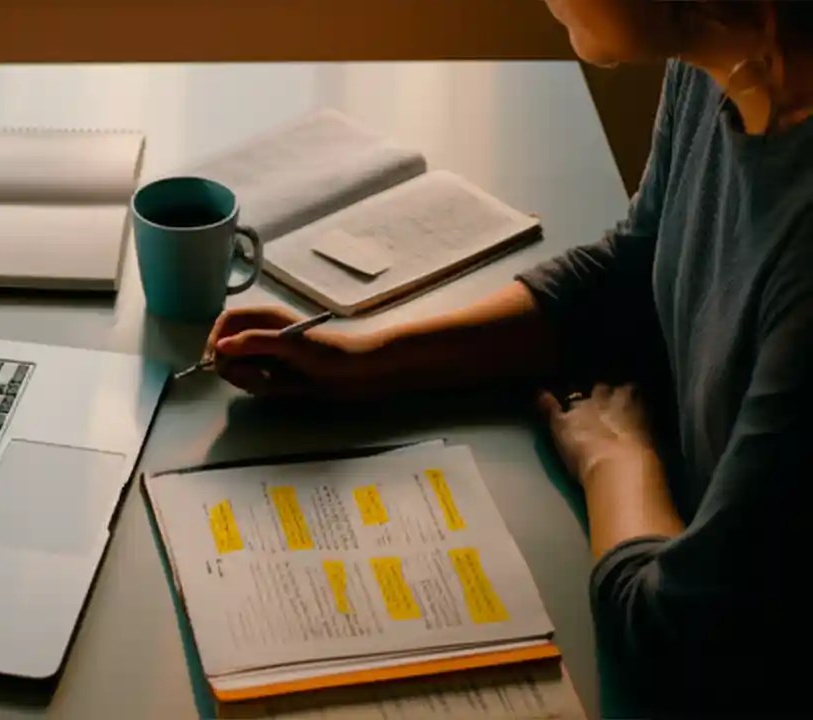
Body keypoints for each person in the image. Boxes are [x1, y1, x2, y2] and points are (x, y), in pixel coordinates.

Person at [204, 1, 813, 715]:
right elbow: (633, 272)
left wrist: (615, 461)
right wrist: (367, 358)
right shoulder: (727, 60)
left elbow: (677, 639)